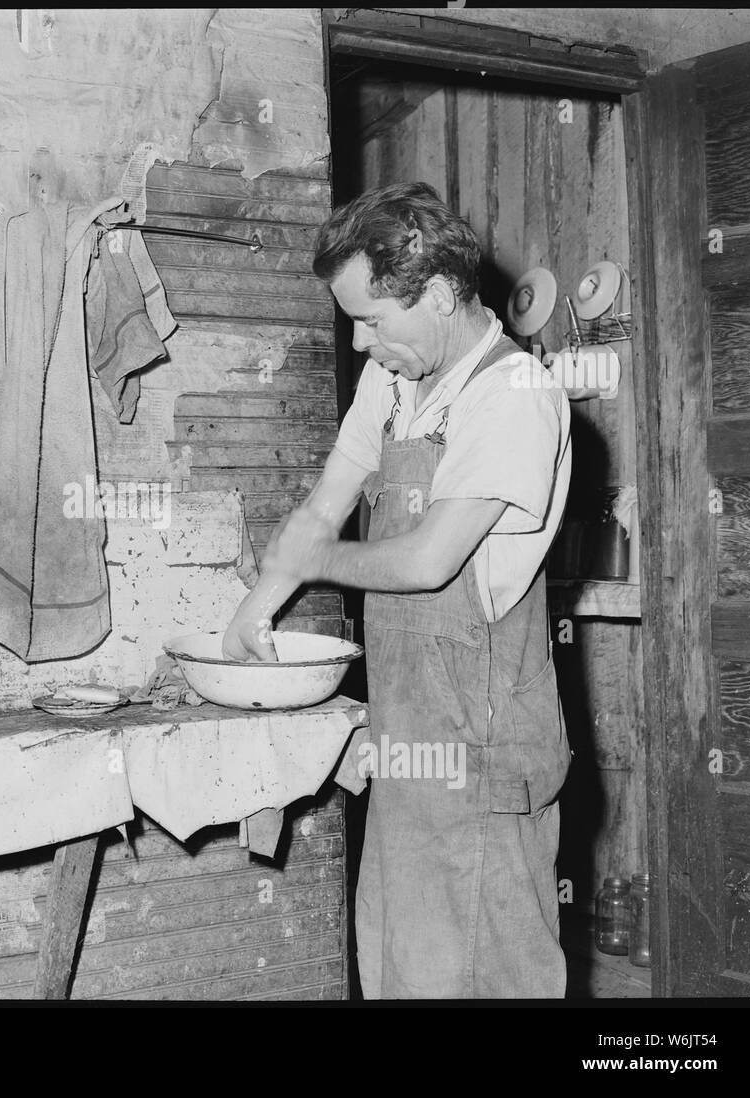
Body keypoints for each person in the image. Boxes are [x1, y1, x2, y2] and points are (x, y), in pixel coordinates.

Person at [223, 181, 573, 998]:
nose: (356, 340)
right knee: (399, 975)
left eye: (373, 319)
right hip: (411, 752)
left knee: (487, 982)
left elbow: (425, 562)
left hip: (486, 764)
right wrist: (255, 610)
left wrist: (316, 562)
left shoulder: (514, 397)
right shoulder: (395, 382)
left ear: (443, 295)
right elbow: (325, 505)